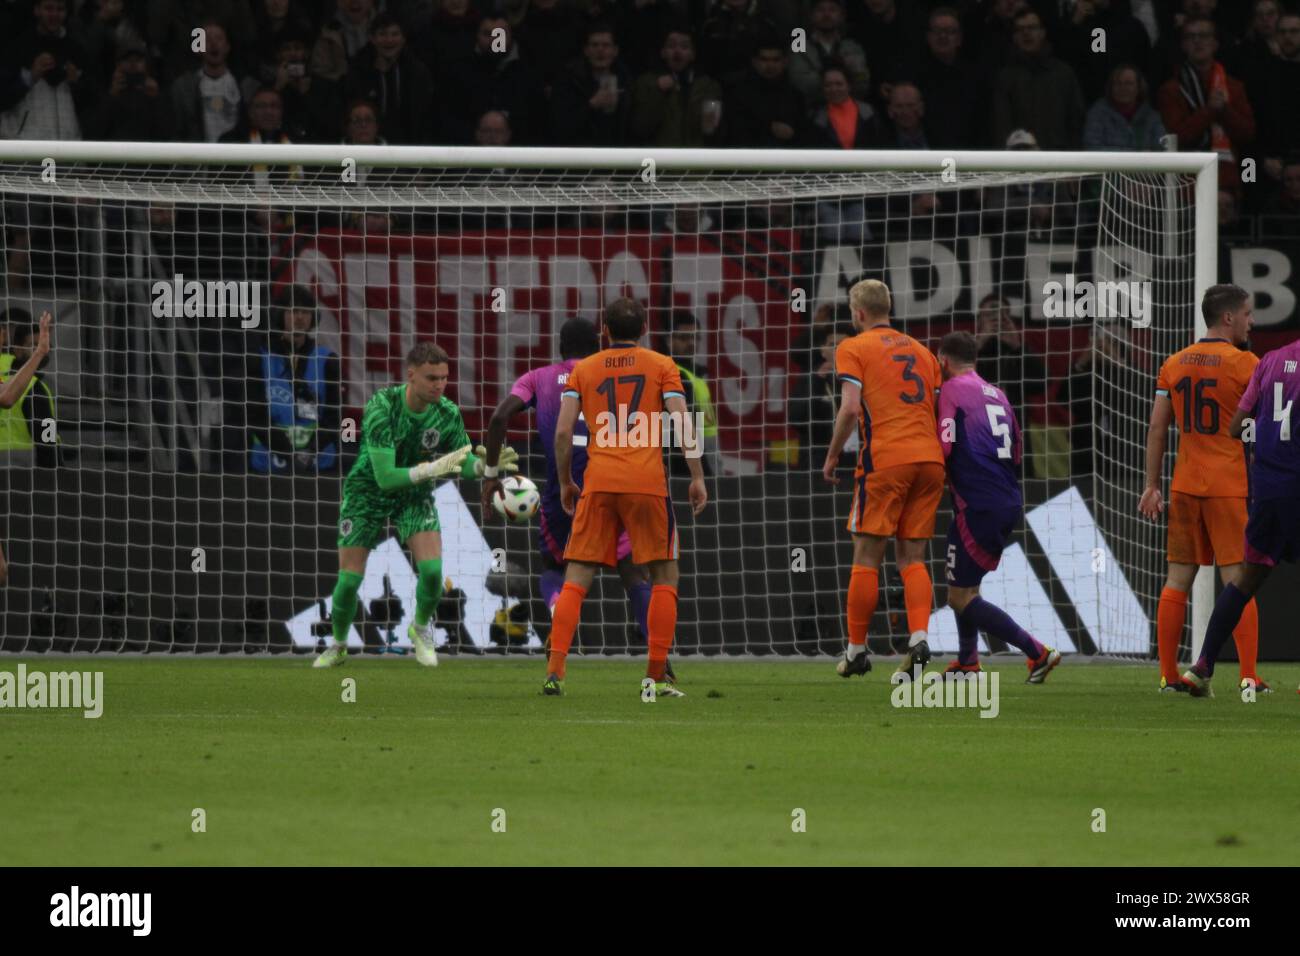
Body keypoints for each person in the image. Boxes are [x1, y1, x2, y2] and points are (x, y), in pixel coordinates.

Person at [312, 342, 519, 668]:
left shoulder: (447, 413)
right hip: (367, 492)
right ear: (411, 376)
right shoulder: (383, 408)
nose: (439, 384)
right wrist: (432, 469)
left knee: (433, 572)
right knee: (350, 580)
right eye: (431, 378)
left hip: (414, 496)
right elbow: (385, 478)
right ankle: (338, 643)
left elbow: (461, 461)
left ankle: (420, 628)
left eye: (444, 378)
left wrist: (483, 467)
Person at [539, 298, 708, 698]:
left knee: (577, 576)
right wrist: (697, 475)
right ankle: (655, 678)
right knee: (665, 576)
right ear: (645, 330)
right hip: (646, 482)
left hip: (598, 482)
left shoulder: (584, 368)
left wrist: (565, 481)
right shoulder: (661, 365)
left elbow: (564, 433)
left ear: (605, 331)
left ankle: (554, 672)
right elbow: (682, 419)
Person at [481, 318, 663, 665]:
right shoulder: (609, 374)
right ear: (598, 344)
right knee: (631, 568)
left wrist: (492, 475)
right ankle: (654, 645)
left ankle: (558, 613)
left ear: (560, 346)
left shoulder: (538, 378)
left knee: (556, 565)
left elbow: (499, 419)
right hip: (616, 482)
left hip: (563, 489)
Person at [1140, 284, 1267, 693]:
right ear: (1228, 317)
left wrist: (1151, 485)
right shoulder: (1247, 363)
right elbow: (1260, 427)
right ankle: (1248, 677)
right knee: (1240, 579)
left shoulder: (1174, 363)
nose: (1252, 321)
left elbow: (1158, 428)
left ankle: (1167, 675)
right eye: (1247, 313)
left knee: (1177, 579)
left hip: (1184, 484)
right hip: (1229, 484)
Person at [823, 279, 942, 680]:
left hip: (886, 460)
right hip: (930, 460)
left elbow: (851, 408)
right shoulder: (924, 352)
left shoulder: (853, 348)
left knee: (867, 556)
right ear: (888, 308)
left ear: (858, 313)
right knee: (912, 558)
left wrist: (834, 452)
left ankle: (856, 649)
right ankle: (919, 637)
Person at [934, 331, 1061, 682]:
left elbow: (943, 446)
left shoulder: (951, 392)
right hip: (1006, 497)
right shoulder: (998, 394)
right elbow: (1018, 450)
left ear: (943, 361)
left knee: (959, 596)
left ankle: (1037, 652)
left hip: (978, 502)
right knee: (966, 585)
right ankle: (968, 662)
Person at [1180, 330, 1300, 697]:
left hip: (1266, 489)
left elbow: (1236, 426)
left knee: (1246, 579)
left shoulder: (1271, 360)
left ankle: (1201, 667)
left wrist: (1264, 444)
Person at [247, 285, 341, 475]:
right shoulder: (259, 358)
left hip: (318, 466)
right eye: (293, 311)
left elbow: (334, 418)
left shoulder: (327, 361)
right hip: (268, 466)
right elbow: (256, 417)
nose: (300, 317)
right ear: (280, 314)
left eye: (305, 311)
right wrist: (290, 455)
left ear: (313, 317)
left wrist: (309, 452)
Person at [0, 310, 52, 585]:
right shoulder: (36, 387)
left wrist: (39, 352)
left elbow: (6, 396)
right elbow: (7, 397)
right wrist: (40, 353)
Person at [0, 318, 62, 468]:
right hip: (22, 475)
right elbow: (47, 439)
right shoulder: (34, 387)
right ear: (17, 349)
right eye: (32, 345)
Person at [1083, 63, 1166, 152]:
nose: (1123, 88)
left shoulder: (1152, 117)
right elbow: (1092, 147)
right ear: (1111, 88)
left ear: (1139, 87)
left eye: (1128, 83)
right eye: (1118, 83)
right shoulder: (1097, 115)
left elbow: (1161, 149)